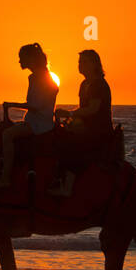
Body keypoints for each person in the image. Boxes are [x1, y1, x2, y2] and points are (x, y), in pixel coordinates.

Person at [0, 42, 58, 190]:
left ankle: (5, 178)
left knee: (7, 135)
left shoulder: (40, 78)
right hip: (34, 120)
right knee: (1, 128)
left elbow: (36, 106)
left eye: (21, 58)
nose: (19, 61)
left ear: (30, 59)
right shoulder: (35, 77)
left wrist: (11, 104)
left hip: (40, 124)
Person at [48, 49, 113, 196]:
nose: (79, 65)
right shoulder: (84, 84)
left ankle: (67, 188)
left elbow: (92, 109)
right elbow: (82, 109)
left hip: (98, 131)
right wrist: (68, 117)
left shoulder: (99, 85)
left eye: (83, 62)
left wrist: (70, 113)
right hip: (86, 128)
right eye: (79, 62)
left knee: (72, 144)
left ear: (94, 64)